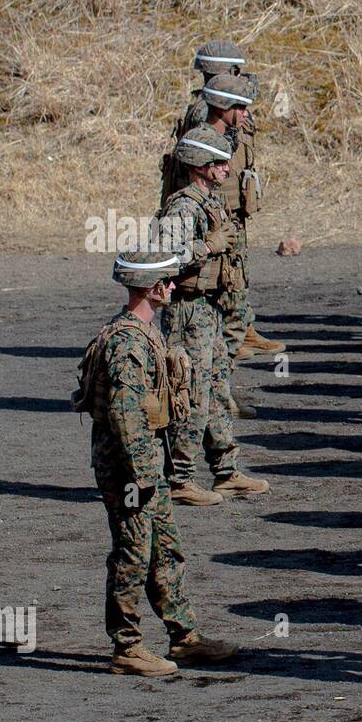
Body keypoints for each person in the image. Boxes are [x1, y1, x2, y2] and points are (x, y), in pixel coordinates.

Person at [73, 245, 239, 676]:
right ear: (150, 287)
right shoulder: (128, 342)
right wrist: (145, 476)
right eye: (165, 281)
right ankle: (127, 646)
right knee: (132, 553)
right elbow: (126, 417)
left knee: (166, 549)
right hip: (130, 470)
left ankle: (183, 636)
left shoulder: (144, 331)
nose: (171, 287)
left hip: (147, 465)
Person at [158, 126, 270, 505]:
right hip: (188, 314)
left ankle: (226, 471)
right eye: (219, 162)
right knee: (190, 395)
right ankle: (180, 478)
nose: (226, 169)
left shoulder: (208, 202)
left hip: (210, 311)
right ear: (200, 166)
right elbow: (166, 257)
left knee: (218, 392)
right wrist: (208, 245)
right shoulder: (183, 206)